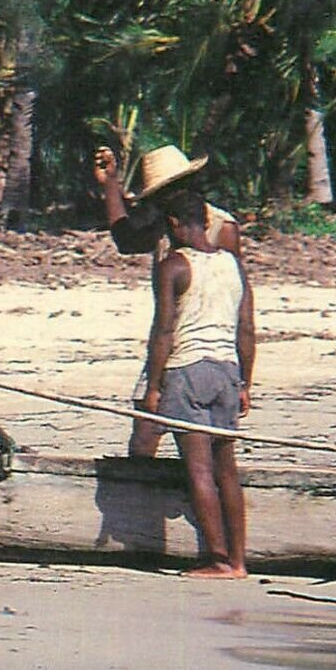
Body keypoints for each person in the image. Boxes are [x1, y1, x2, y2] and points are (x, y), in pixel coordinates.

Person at [93, 144, 244, 459]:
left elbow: (243, 305)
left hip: (197, 350)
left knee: (202, 453)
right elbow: (126, 239)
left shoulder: (220, 227)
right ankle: (142, 501)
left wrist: (245, 377)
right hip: (177, 350)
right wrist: (110, 185)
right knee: (147, 439)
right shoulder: (165, 222)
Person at [144, 187, 255, 578]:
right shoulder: (232, 265)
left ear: (173, 224)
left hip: (187, 371)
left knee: (200, 471)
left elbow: (163, 332)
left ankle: (219, 559)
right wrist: (245, 383)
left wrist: (153, 387)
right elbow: (246, 329)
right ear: (206, 222)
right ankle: (239, 561)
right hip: (226, 371)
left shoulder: (173, 266)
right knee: (227, 470)